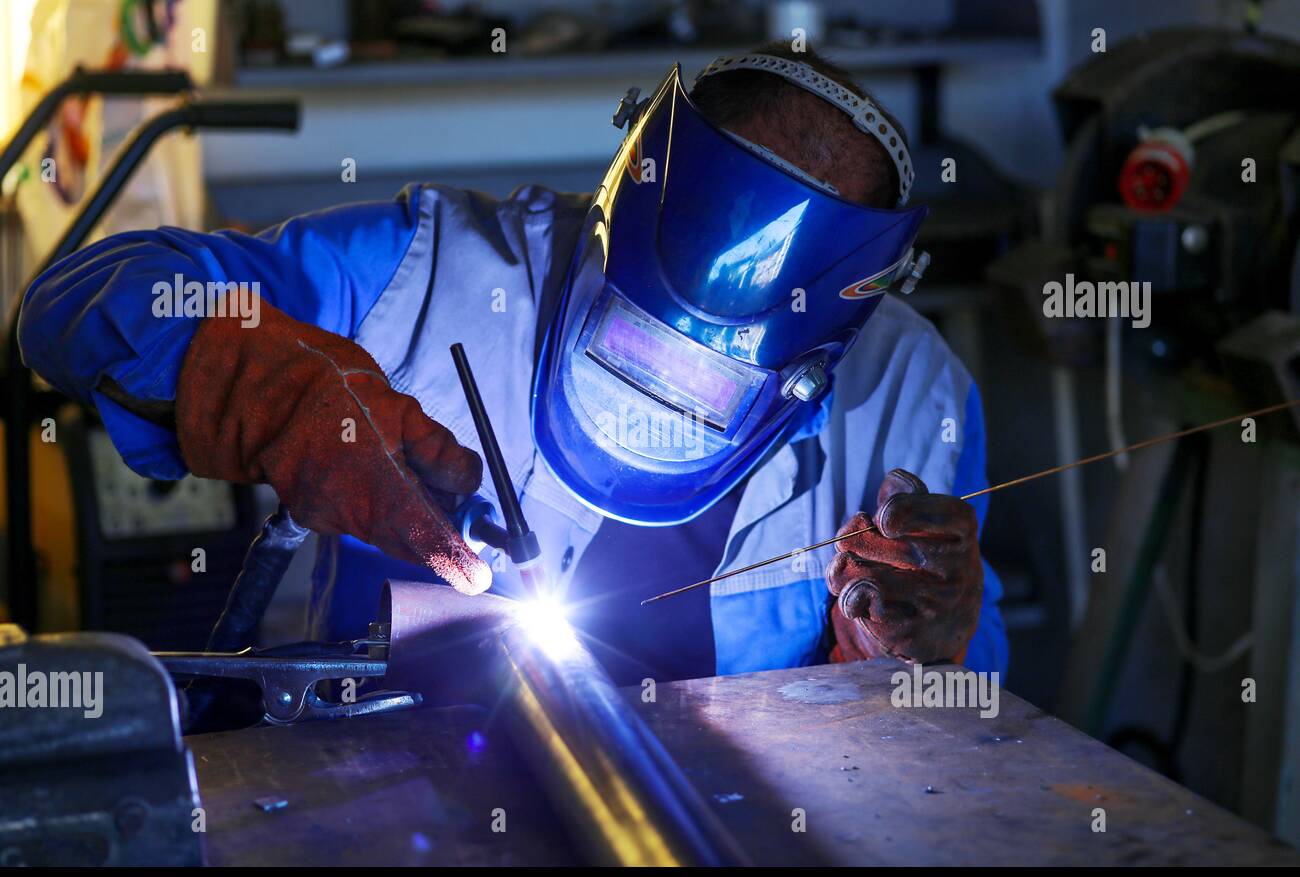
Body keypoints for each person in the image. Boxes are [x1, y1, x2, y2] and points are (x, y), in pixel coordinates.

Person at [18, 44, 1006, 685]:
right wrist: (276, 390)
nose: (667, 393)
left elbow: (961, 731)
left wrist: (916, 656)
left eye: (713, 384)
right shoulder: (433, 268)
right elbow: (74, 301)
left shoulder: (910, 404)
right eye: (637, 342)